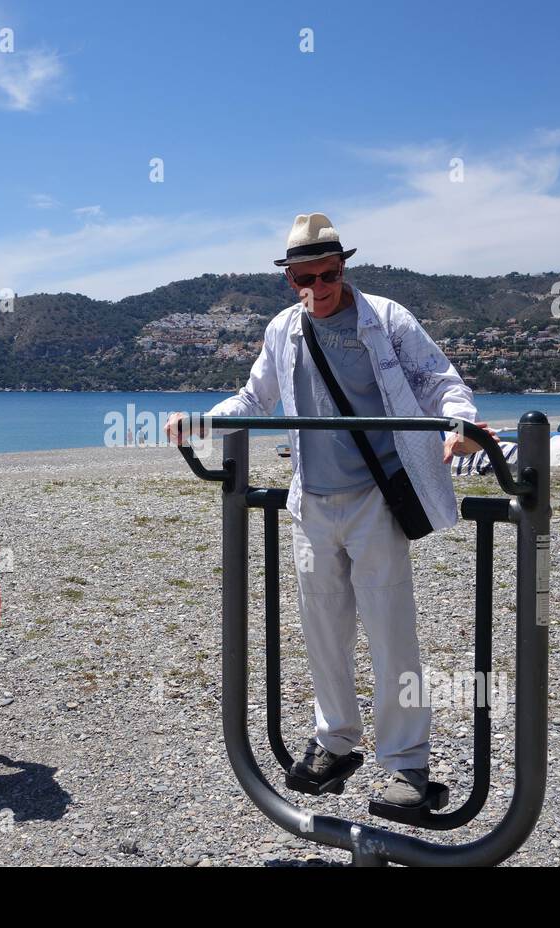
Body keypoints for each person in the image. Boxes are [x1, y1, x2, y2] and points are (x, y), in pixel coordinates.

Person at [165, 213, 498, 808]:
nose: (318, 288)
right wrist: (202, 420)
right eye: (305, 278)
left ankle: (407, 767)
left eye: (329, 274)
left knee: (392, 634)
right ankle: (336, 741)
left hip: (375, 497)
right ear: (288, 278)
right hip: (311, 501)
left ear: (344, 268)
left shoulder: (386, 319)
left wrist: (462, 425)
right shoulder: (282, 330)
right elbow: (255, 397)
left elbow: (439, 381)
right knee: (323, 632)